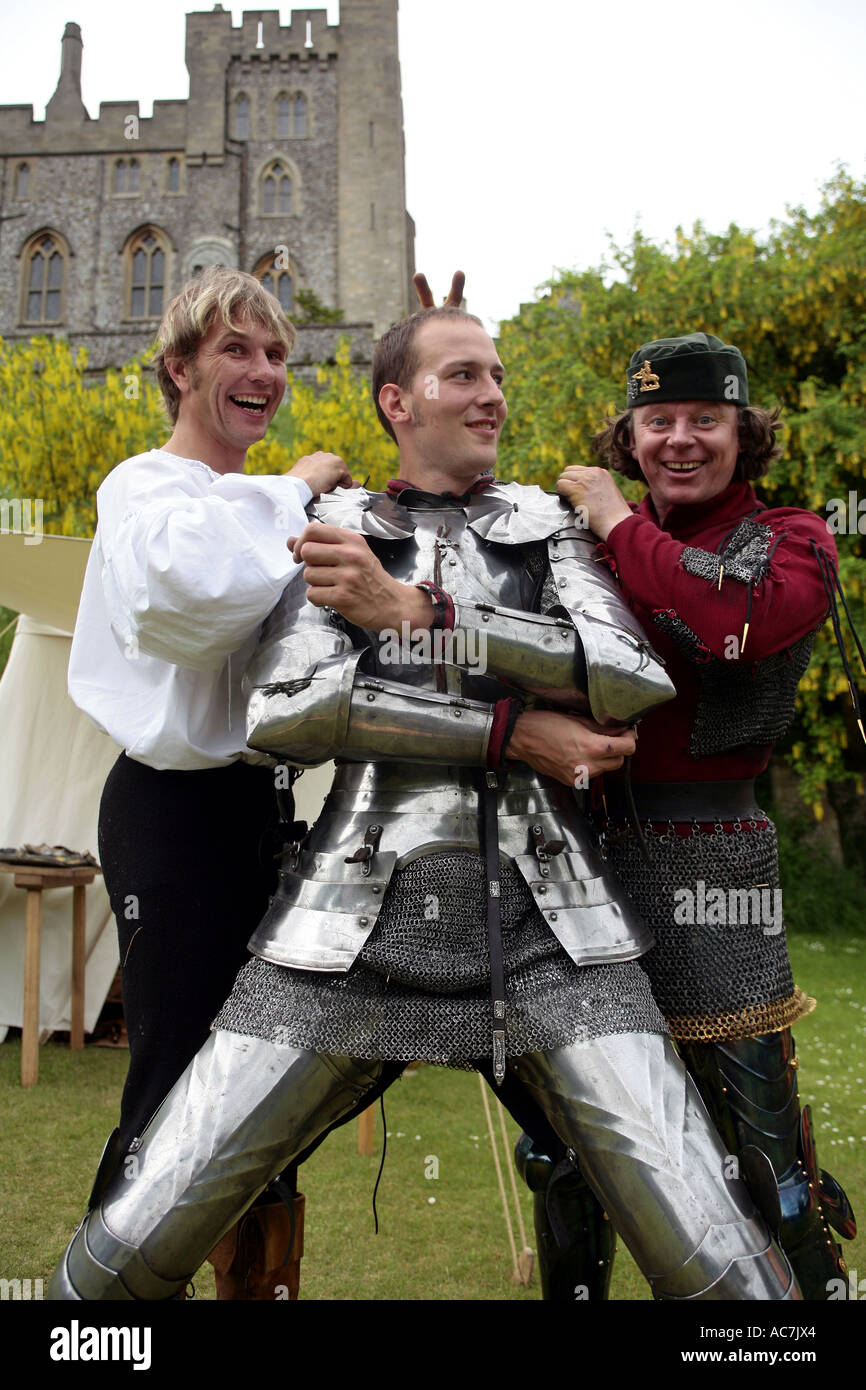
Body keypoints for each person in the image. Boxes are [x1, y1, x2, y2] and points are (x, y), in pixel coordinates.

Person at [51, 306, 802, 1302]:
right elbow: (289, 709)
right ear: (397, 401)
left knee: (726, 1266)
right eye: (463, 375)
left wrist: (421, 615)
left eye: (496, 374)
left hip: (552, 919)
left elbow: (626, 677)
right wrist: (510, 729)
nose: (492, 392)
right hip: (344, 914)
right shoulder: (335, 526)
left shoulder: (546, 526)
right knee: (131, 1242)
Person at [530, 330, 856, 1300]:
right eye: (656, 419)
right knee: (566, 1150)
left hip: (716, 875)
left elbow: (730, 624)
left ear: (738, 430)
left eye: (701, 419)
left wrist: (611, 518)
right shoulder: (578, 546)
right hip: (581, 866)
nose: (678, 438)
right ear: (628, 433)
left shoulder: (793, 539)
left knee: (760, 1168)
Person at [67, 266, 353, 1298]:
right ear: (178, 367)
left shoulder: (271, 508)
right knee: (176, 1080)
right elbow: (185, 596)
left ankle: (257, 1286)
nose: (264, 371)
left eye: (276, 354)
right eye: (237, 349)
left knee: (268, 1085)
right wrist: (302, 482)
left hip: (260, 812)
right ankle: (105, 1312)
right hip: (169, 809)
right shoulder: (147, 487)